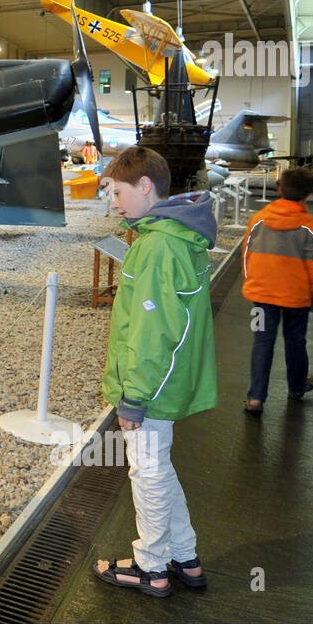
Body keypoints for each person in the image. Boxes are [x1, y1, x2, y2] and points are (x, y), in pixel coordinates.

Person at [93, 146, 218, 597]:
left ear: (144, 185)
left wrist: (135, 396)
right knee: (158, 469)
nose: (113, 202)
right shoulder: (177, 236)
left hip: (154, 386)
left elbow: (152, 333)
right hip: (171, 379)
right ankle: (184, 557)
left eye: (118, 191)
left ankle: (151, 566)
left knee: (145, 471)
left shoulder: (158, 245)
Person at [241, 166, 313, 415]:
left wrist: (252, 284)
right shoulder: (310, 227)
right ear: (309, 195)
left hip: (261, 297)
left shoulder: (258, 219)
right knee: (295, 341)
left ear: (279, 189)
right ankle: (297, 387)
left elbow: (247, 255)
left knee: (262, 342)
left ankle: (256, 399)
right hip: (297, 298)